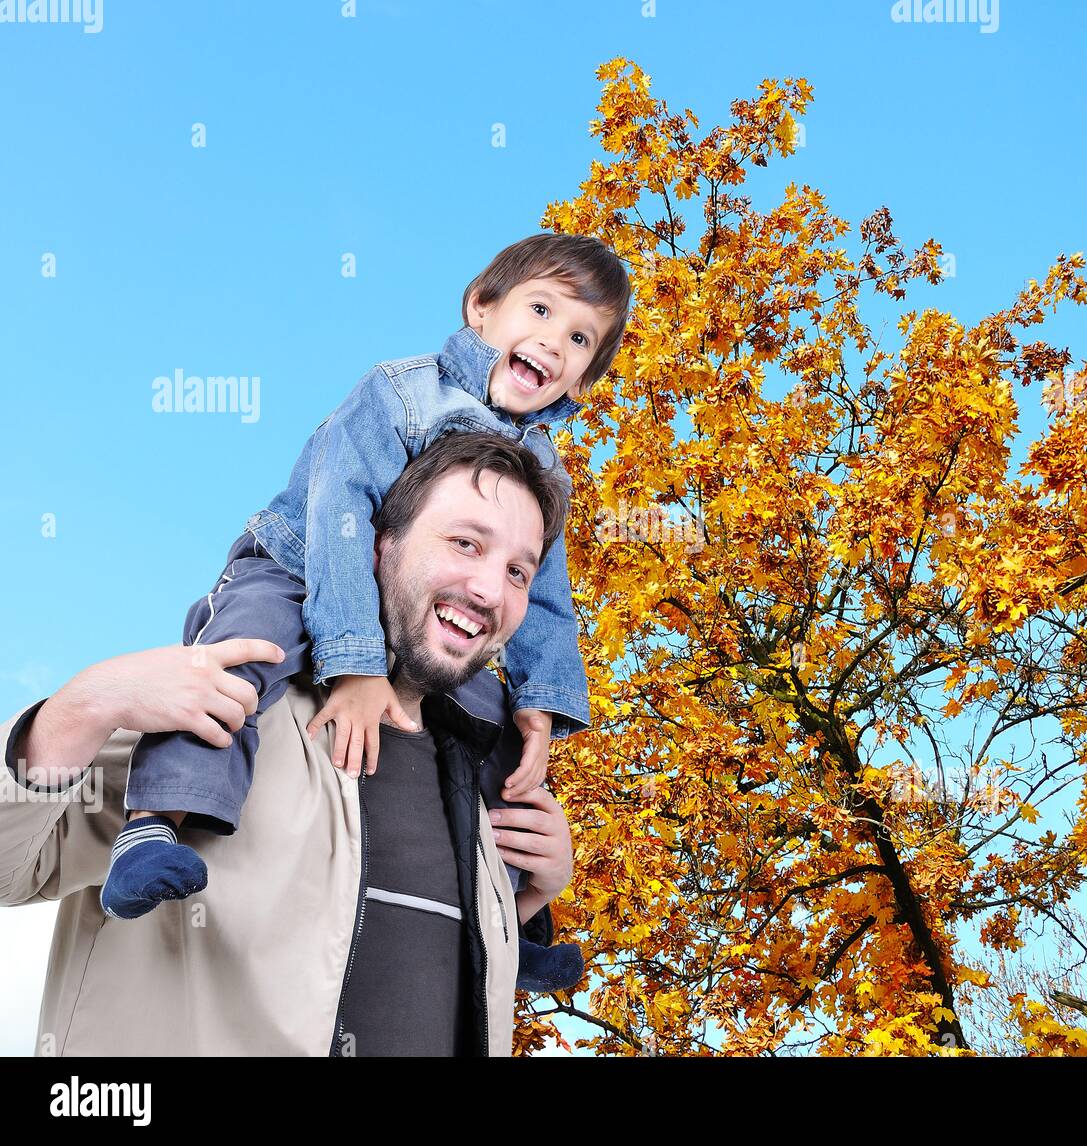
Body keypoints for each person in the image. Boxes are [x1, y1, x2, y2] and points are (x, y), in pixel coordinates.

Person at [99, 233, 631, 993]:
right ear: (480, 309)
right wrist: (355, 666)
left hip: (411, 626)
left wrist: (545, 704)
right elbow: (340, 511)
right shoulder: (401, 392)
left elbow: (544, 595)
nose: (554, 339)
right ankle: (157, 824)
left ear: (585, 375)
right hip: (299, 561)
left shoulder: (545, 469)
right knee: (240, 660)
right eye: (540, 310)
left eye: (580, 337)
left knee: (500, 728)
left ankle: (518, 915)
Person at [0, 433, 576, 1055]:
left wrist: (527, 899)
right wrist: (86, 704)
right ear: (380, 545)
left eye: (518, 571)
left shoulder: (480, 773)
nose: (490, 589)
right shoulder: (227, 718)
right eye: (466, 543)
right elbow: (13, 871)